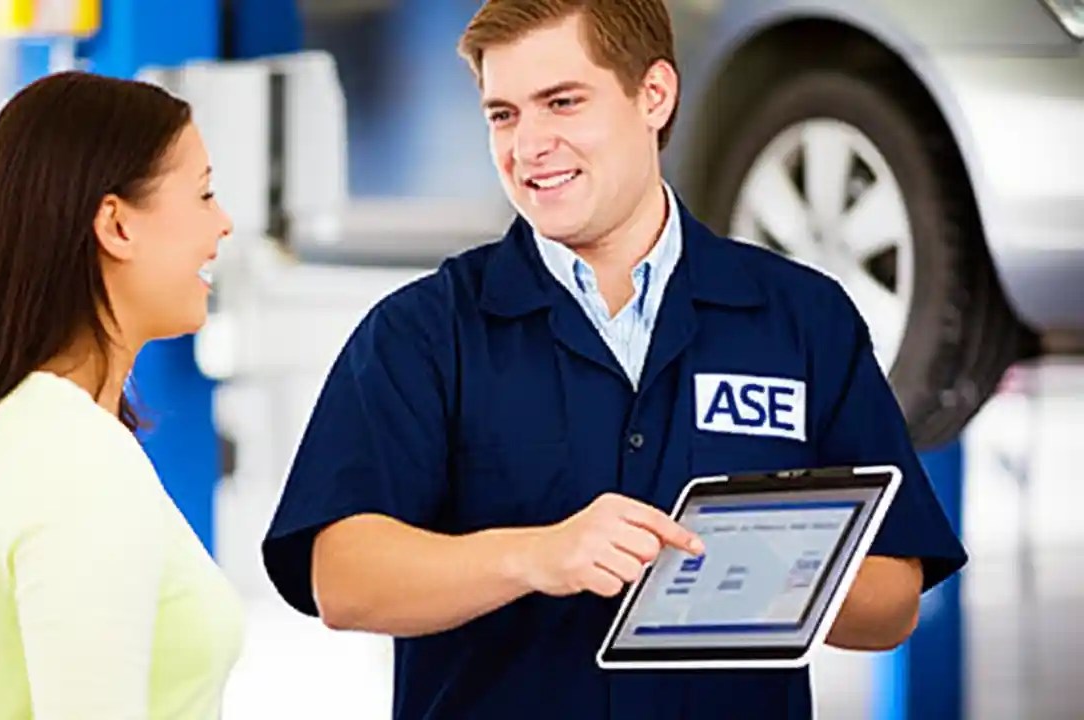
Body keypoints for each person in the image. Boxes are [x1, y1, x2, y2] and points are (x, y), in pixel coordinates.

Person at [262, 0, 968, 718]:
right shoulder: (422, 334)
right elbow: (343, 580)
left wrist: (752, 571)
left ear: (653, 95)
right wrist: (536, 556)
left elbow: (893, 601)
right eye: (503, 115)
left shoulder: (802, 320)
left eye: (562, 103)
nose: (529, 143)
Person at [0, 71, 241, 719]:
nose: (223, 224)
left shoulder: (29, 432)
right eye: (204, 195)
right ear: (115, 224)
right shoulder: (71, 458)